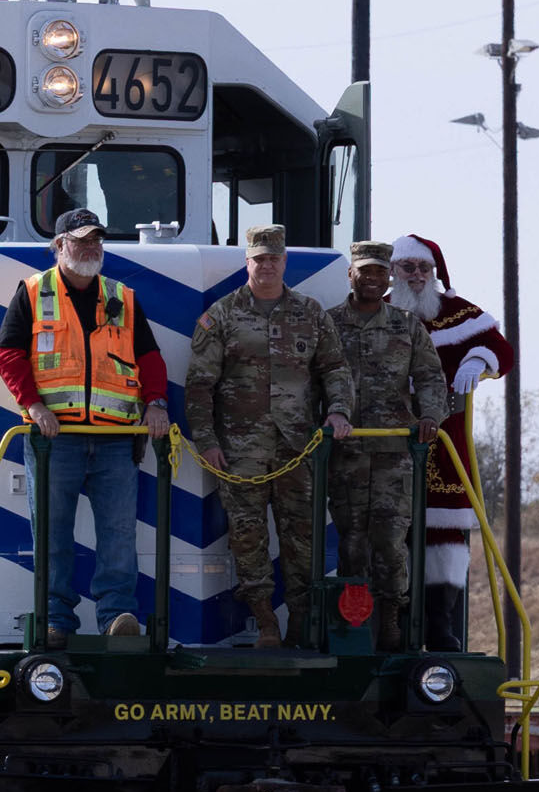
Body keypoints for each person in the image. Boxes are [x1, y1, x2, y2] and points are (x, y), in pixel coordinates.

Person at [0, 207, 170, 647]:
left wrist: (157, 403)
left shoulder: (122, 297)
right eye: (81, 240)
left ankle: (117, 615)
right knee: (52, 532)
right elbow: (7, 356)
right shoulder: (34, 293)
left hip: (116, 439)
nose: (91, 248)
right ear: (59, 246)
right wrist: (34, 407)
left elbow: (149, 359)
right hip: (56, 440)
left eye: (96, 241)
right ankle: (55, 620)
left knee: (118, 532)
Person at [184, 225, 354, 648]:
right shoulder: (221, 315)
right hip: (240, 452)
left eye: (274, 259)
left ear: (284, 262)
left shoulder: (311, 313)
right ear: (248, 262)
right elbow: (200, 384)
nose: (267, 266)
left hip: (298, 449)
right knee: (248, 538)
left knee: (303, 539)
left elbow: (335, 369)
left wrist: (338, 410)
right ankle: (265, 624)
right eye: (259, 259)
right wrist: (206, 440)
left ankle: (300, 624)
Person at [387, 234, 516, 651]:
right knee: (390, 531)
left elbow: (502, 349)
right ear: (394, 270)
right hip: (387, 438)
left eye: (424, 268)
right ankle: (398, 624)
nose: (418, 276)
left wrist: (480, 360)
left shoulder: (457, 312)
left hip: (445, 438)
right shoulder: (379, 309)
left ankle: (440, 623)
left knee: (444, 532)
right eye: (409, 267)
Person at [325, 241, 448, 650]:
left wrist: (430, 416)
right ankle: (353, 626)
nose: (373, 279)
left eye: (380, 273)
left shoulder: (406, 324)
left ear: (388, 278)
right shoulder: (328, 324)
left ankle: (392, 620)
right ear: (352, 276)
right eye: (366, 272)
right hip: (346, 455)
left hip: (395, 454)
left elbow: (431, 377)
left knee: (391, 543)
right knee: (352, 542)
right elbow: (312, 381)